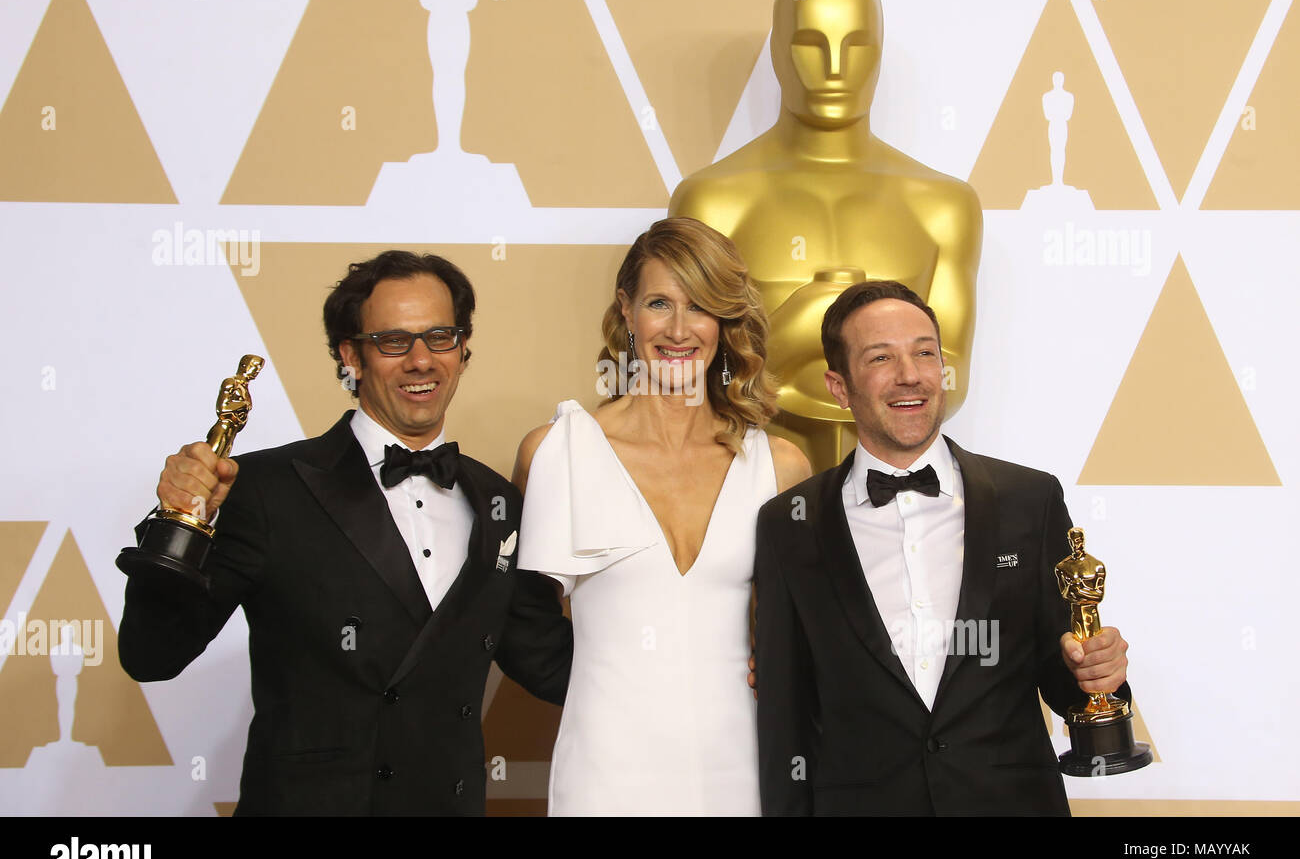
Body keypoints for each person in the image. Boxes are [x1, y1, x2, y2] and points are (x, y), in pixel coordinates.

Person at [118, 250, 573, 816]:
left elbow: (547, 661)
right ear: (350, 355)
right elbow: (152, 655)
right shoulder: (264, 489)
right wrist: (179, 523)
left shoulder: (499, 502)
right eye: (392, 341)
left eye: (440, 337)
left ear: (463, 350)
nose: (420, 360)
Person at [753, 280, 1132, 815]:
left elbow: (1064, 672)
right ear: (839, 387)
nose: (909, 374)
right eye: (880, 357)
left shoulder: (1031, 498)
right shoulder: (790, 524)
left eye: (924, 353)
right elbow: (785, 718)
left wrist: (1099, 677)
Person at [512, 217, 812, 815]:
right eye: (658, 303)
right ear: (626, 310)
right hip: (606, 770)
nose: (679, 329)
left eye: (700, 306)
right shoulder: (557, 451)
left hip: (742, 765)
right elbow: (521, 623)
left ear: (724, 322)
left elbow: (811, 628)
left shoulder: (779, 465)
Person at [669, 0, 982, 468]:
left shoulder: (943, 204)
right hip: (747, 477)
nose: (835, 69)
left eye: (857, 46)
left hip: (895, 492)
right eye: (810, 44)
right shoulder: (712, 201)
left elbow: (952, 372)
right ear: (776, 53)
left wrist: (790, 348)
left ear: (879, 54)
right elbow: (691, 368)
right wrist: (803, 330)